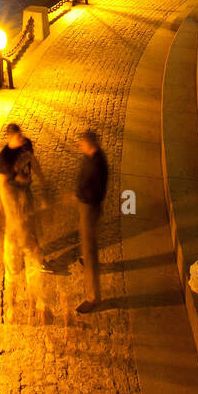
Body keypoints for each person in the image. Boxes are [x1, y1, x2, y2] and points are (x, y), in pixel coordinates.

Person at [0, 125, 48, 286]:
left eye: (21, 136)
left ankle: (37, 255)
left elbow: (33, 162)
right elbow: (2, 184)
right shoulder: (4, 158)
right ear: (9, 138)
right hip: (12, 199)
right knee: (13, 232)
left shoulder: (26, 146)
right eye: (17, 137)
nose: (21, 139)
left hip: (26, 194)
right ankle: (12, 267)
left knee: (31, 226)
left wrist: (42, 181)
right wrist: (5, 206)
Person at [75, 130, 108, 314]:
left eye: (82, 143)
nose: (80, 146)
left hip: (89, 207)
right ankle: (87, 259)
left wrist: (79, 196)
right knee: (87, 243)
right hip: (86, 206)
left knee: (90, 248)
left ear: (90, 145)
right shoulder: (91, 157)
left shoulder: (97, 164)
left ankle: (93, 297)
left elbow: (94, 192)